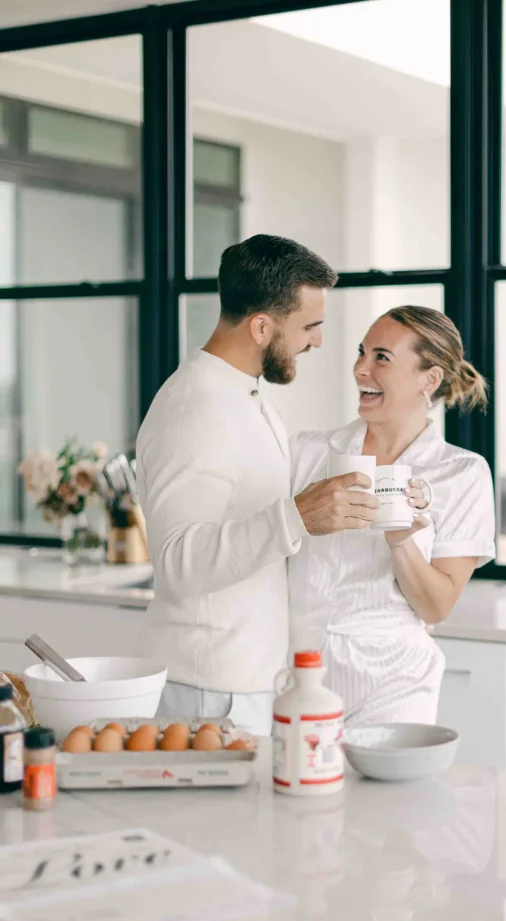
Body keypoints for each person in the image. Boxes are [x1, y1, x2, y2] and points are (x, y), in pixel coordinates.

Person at [136, 234, 379, 734]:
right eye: (310, 326)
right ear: (262, 326)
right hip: (208, 695)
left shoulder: (247, 398)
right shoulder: (195, 410)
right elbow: (178, 562)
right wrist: (296, 516)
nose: (318, 341)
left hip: (244, 686)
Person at [288, 305, 495, 726]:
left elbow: (436, 607)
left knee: (384, 793)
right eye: (362, 352)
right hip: (296, 673)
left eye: (382, 357)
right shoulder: (305, 453)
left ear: (430, 379)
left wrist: (401, 543)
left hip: (394, 682)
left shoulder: (461, 473)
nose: (361, 369)